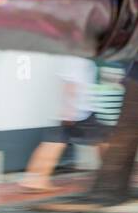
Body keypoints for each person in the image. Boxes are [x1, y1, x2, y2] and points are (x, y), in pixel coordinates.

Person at [21, 55, 106, 192]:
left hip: (70, 108)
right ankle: (112, 174)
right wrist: (69, 110)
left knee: (53, 142)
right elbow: (71, 83)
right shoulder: (77, 58)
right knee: (105, 139)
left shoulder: (68, 55)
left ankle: (33, 178)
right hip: (79, 110)